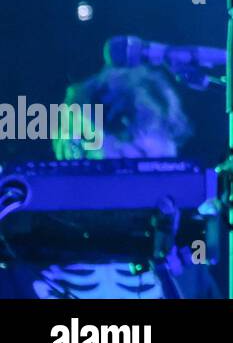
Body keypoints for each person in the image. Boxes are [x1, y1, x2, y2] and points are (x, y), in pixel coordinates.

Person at [0, 65, 219, 299]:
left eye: (166, 170)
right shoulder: (14, 255)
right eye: (136, 160)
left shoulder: (186, 270)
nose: (158, 192)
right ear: (77, 150)